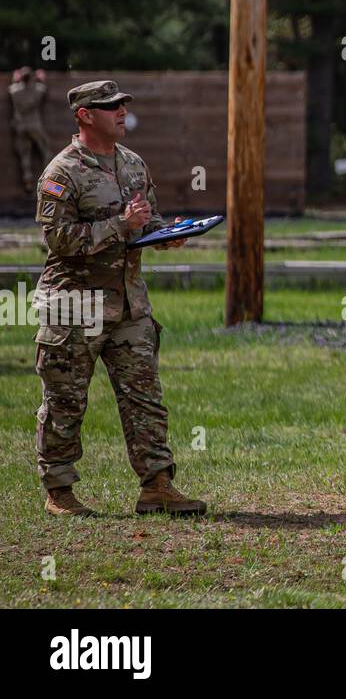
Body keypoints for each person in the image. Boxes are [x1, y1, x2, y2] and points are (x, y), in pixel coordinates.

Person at [33, 79, 206, 517]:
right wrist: (121, 226)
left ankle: (157, 485)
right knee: (65, 401)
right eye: (111, 107)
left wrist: (167, 235)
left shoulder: (132, 164)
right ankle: (59, 491)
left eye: (123, 105)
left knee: (144, 397)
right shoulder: (61, 173)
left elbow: (145, 222)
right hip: (74, 305)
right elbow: (59, 241)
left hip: (129, 305)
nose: (121, 112)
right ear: (85, 116)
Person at [9, 65, 51, 192]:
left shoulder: (14, 90)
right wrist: (40, 78)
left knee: (25, 154)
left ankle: (27, 180)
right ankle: (48, 180)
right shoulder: (38, 89)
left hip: (20, 126)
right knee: (46, 151)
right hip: (34, 125)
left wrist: (15, 79)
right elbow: (43, 87)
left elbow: (13, 87)